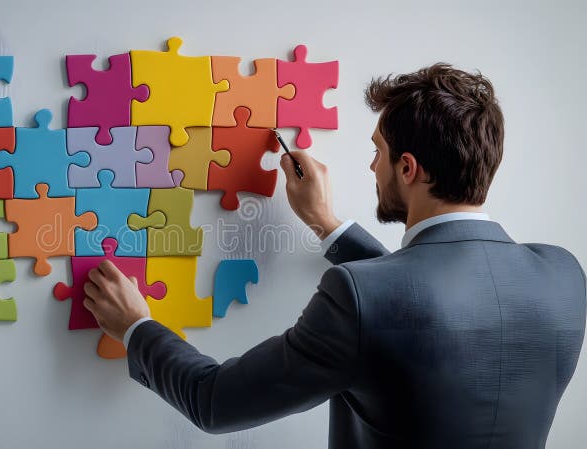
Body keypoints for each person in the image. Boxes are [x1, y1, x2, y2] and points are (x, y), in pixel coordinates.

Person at [81, 63, 587, 448]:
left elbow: (214, 401)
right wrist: (327, 224)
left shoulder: (361, 298)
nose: (371, 166)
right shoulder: (563, 276)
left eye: (377, 152)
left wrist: (135, 327)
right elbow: (428, 301)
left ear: (407, 168)